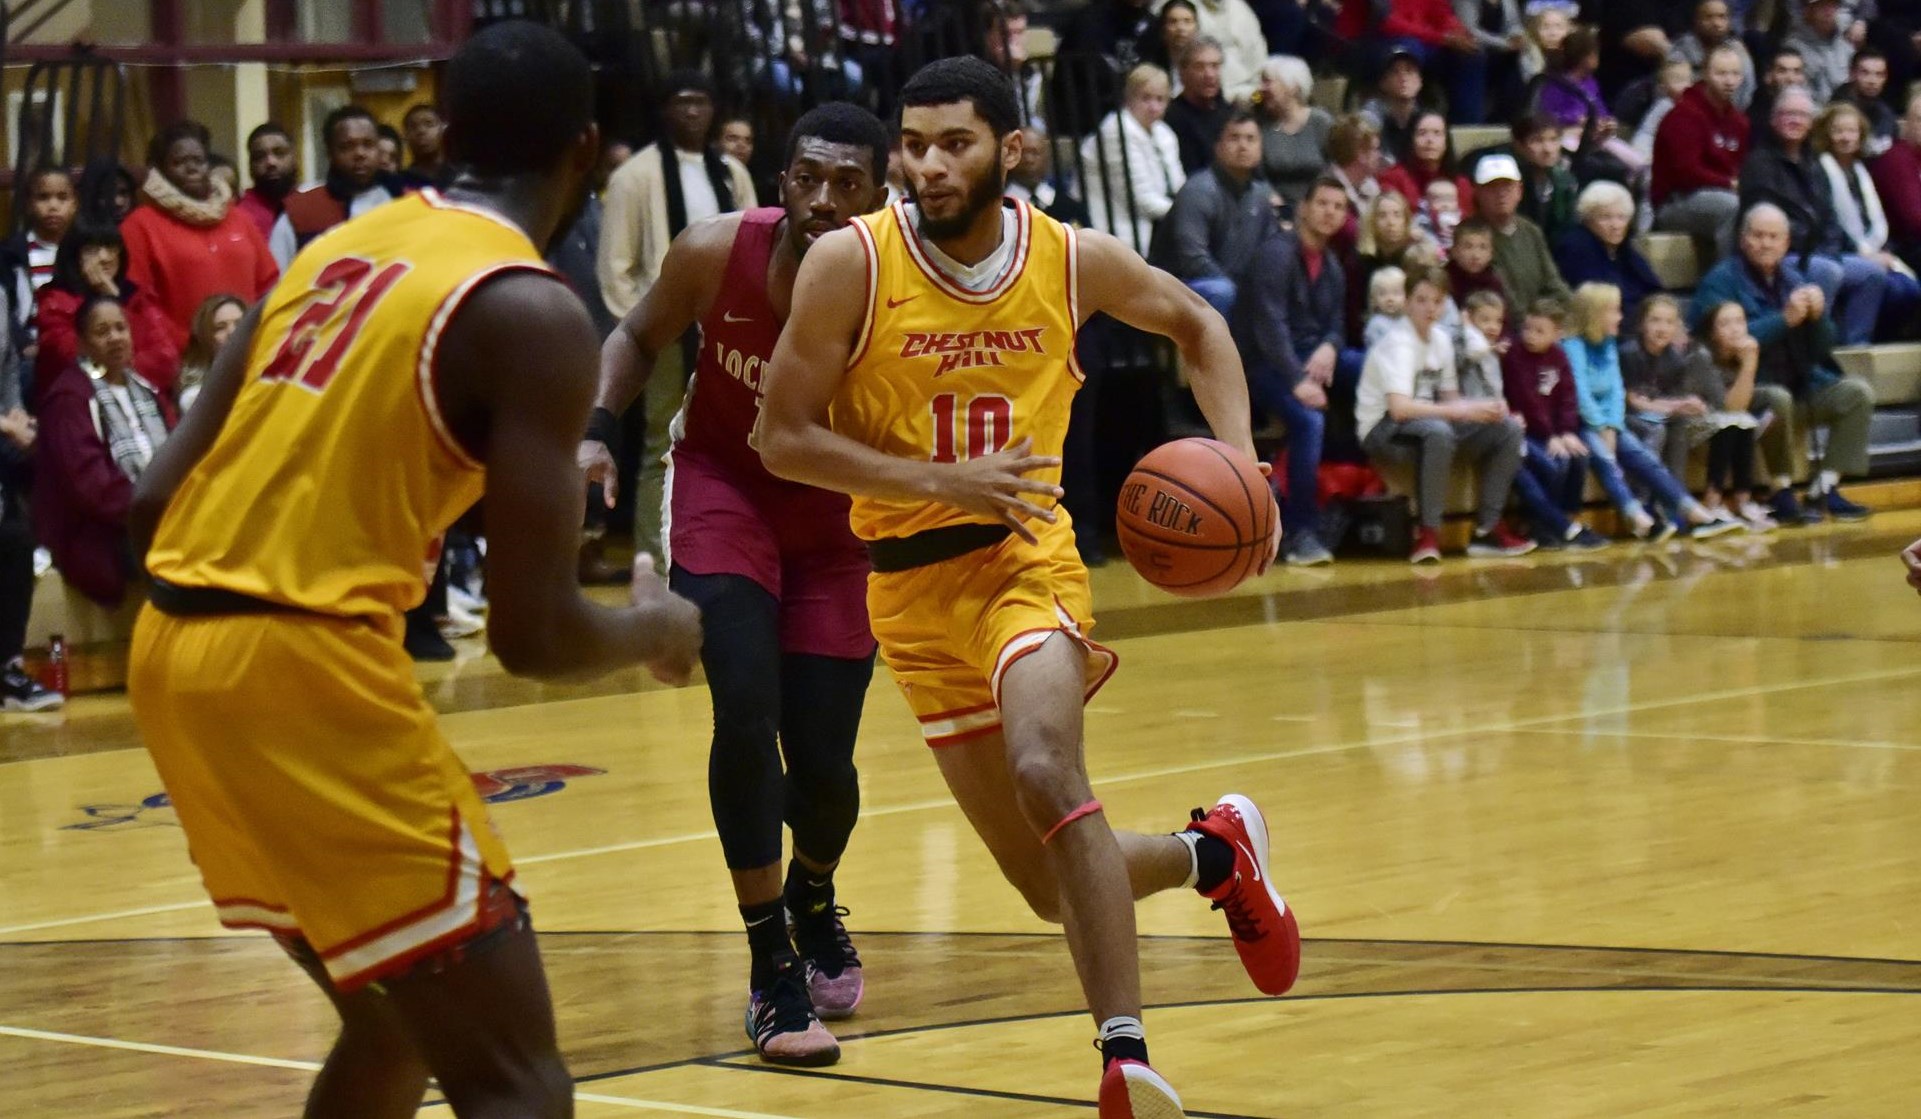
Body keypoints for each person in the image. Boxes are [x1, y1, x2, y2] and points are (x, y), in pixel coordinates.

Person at [124, 23, 703, 1119]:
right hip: (304, 663)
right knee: (517, 1081)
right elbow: (535, 638)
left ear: (445, 129)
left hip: (172, 656)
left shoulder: (332, 251)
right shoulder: (531, 308)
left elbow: (157, 501)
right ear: (585, 150)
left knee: (394, 1029)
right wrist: (660, 629)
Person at [756, 56, 1299, 1118]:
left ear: (1009, 149)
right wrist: (936, 480)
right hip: (908, 596)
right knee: (1048, 887)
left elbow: (1199, 324)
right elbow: (781, 437)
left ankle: (1124, 1057)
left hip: (1024, 561)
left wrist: (1244, 467)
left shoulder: (1067, 258)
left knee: (1047, 766)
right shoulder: (851, 263)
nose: (927, 164)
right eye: (913, 145)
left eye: (953, 143)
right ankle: (1212, 854)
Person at [582, 103, 891, 1067]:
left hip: (837, 520)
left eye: (848, 183)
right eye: (808, 177)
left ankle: (811, 892)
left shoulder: (904, 282)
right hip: (726, 490)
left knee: (826, 770)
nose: (824, 199)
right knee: (745, 708)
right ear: (781, 180)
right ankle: (770, 965)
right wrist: (595, 429)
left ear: (881, 198)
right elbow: (636, 335)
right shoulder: (716, 250)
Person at [598, 70, 758, 568]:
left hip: (730, 328)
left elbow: (756, 242)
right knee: (662, 445)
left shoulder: (731, 171)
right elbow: (616, 268)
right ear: (664, 110)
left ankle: (729, 552)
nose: (692, 111)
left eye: (701, 102)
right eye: (682, 102)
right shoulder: (634, 176)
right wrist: (649, 328)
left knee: (740, 440)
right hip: (667, 331)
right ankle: (657, 559)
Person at [1691, 203, 1876, 523]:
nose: (1765, 243)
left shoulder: (1793, 278)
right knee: (1777, 398)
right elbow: (1724, 343)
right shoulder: (1720, 281)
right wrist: (1783, 319)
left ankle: (1825, 487)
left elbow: (1821, 348)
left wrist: (1819, 318)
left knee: (1856, 392)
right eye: (1758, 235)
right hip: (1745, 390)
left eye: (1773, 237)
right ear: (1743, 239)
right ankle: (1781, 491)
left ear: (1786, 243)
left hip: (1801, 383)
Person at [1358, 265, 1532, 562]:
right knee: (1437, 431)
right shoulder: (1398, 343)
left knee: (1507, 428)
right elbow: (1400, 409)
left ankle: (1487, 529)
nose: (1430, 308)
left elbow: (1452, 399)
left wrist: (1485, 409)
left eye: (1437, 301)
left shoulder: (1440, 339)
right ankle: (1427, 535)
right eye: (1421, 300)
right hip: (1382, 429)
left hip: (1425, 421)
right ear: (1407, 302)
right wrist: (1458, 412)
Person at [1564, 282, 1742, 539]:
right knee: (1605, 459)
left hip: (1610, 422)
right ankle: (1639, 519)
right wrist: (1602, 426)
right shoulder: (1573, 347)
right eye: (1614, 311)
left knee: (1642, 457)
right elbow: (1581, 395)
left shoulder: (1607, 343)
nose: (1620, 317)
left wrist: (1611, 425)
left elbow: (1615, 391)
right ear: (1594, 314)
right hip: (1579, 423)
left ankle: (1692, 512)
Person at [1238, 175, 1353, 565]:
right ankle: (1301, 531)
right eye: (1322, 203)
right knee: (1308, 421)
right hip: (1262, 365)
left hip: (1307, 354)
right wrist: (1298, 380)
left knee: (1369, 371)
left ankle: (1362, 498)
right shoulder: (1276, 254)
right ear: (1304, 207)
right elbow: (1268, 327)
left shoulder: (1333, 265)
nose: (1330, 212)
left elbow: (1337, 325)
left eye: (1338, 206)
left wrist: (1329, 347)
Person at [35, 295, 177, 609]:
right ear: (82, 344)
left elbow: (178, 456)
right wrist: (153, 511)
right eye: (102, 332)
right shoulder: (70, 397)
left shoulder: (146, 389)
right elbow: (92, 488)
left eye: (120, 328)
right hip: (105, 533)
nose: (115, 338)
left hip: (160, 515)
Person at [1740, 85, 1890, 346]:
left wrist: (1833, 248)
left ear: (1810, 123)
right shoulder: (1759, 163)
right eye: (1788, 114)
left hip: (1819, 252)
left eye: (1801, 115)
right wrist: (1816, 248)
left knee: (1873, 273)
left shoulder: (1814, 163)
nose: (1795, 120)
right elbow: (1766, 221)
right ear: (1774, 120)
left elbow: (1830, 218)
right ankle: (1814, 348)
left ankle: (1855, 348)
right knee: (1828, 271)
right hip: (1783, 254)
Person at [118, 123, 278, 351]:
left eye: (199, 161)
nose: (192, 168)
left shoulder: (239, 218)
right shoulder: (140, 225)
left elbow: (268, 285)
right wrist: (183, 350)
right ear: (159, 170)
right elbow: (139, 303)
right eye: (179, 162)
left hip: (249, 351)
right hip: (181, 357)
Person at [1626, 295, 1773, 528]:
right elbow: (1632, 400)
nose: (1662, 328)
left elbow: (1675, 398)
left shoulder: (1672, 358)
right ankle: (1649, 504)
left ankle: (1683, 504)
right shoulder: (1631, 353)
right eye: (1655, 321)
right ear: (1641, 324)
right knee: (1662, 428)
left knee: (1729, 422)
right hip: (1630, 416)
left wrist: (1684, 405)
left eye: (1669, 322)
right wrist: (1679, 405)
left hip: (1671, 415)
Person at [1500, 297, 1611, 549]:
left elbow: (1568, 398)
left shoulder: (1559, 356)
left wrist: (1567, 432)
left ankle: (1568, 518)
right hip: (1528, 430)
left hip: (1552, 431)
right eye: (1527, 328)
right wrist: (1551, 435)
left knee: (1580, 456)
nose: (1530, 335)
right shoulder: (1515, 356)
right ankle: (1542, 526)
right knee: (1554, 464)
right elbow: (1527, 400)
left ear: (1557, 334)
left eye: (1540, 331)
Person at [34, 221, 180, 399]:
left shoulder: (137, 297)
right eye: (92, 250)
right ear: (74, 256)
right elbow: (83, 364)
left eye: (111, 248)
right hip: (80, 401)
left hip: (144, 398)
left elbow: (166, 363)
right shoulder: (54, 304)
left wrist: (114, 299)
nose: (104, 257)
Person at [1156, 109, 1277, 322]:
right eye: (1234, 138)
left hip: (1232, 286)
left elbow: (1270, 252)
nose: (1243, 146)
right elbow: (1193, 260)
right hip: (1179, 286)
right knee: (1222, 291)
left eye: (1250, 139)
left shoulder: (1261, 195)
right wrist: (1242, 293)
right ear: (1217, 146)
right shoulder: (1198, 190)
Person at [1817, 100, 1921, 328]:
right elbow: (1828, 226)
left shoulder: (1859, 170)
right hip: (1839, 251)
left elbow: (1875, 220)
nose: (1845, 137)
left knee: (1909, 288)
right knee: (1900, 289)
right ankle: (1856, 340)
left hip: (1876, 247)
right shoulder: (1819, 171)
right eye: (1838, 131)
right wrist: (1862, 253)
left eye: (1851, 131)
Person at [270, 106, 406, 270]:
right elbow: (278, 281)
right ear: (330, 153)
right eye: (347, 146)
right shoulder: (298, 213)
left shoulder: (404, 205)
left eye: (368, 144)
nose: (360, 153)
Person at [1653, 44, 1751, 259]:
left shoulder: (1740, 122)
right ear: (1705, 74)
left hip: (1722, 192)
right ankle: (1730, 273)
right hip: (1677, 200)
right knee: (1731, 206)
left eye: (1735, 74)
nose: (1729, 81)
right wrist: (1729, 184)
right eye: (1721, 73)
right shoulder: (1683, 115)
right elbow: (1686, 172)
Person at [1082, 63, 1186, 257]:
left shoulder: (1164, 132)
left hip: (1158, 223)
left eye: (1160, 99)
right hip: (1120, 230)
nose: (1154, 107)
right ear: (1129, 98)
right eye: (1145, 98)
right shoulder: (1116, 129)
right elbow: (1140, 199)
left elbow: (1179, 184)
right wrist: (1186, 212)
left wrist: (1189, 207)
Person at [1553, 180, 1664, 317]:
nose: (1615, 225)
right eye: (1605, 217)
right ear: (1587, 219)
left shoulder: (1625, 250)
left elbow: (1655, 291)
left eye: (1621, 217)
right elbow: (1593, 302)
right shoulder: (1576, 247)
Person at [1474, 154, 1572, 308]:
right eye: (1492, 187)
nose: (1500, 193)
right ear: (1478, 192)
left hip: (1540, 318)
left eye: (1507, 186)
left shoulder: (1531, 231)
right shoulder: (1472, 235)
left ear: (1519, 190)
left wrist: (1573, 308)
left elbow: (1553, 282)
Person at [1, 166, 78, 357]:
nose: (53, 206)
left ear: (75, 203)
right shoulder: (11, 254)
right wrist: (24, 344)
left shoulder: (83, 251)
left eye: (62, 198)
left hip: (75, 348)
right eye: (43, 197)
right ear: (29, 205)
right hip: (25, 352)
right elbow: (6, 310)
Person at [1253, 55, 1334, 210]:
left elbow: (1335, 169)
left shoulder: (1321, 122)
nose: (1261, 88)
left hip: (1320, 208)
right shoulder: (1259, 126)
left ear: (1292, 86)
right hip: (1275, 209)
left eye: (1267, 81)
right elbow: (1257, 177)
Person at [1378, 111, 1473, 225]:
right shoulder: (1393, 178)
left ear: (1446, 141)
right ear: (1411, 140)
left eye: (1437, 133)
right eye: (1422, 133)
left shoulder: (1461, 183)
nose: (1430, 140)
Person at [1667, 0, 1756, 109]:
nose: (1716, 23)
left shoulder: (1737, 50)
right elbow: (1671, 90)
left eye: (1721, 17)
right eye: (1709, 17)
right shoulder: (1680, 49)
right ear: (1697, 21)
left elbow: (1746, 90)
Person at [1162, 38, 1233, 174]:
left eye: (1214, 66)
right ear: (1182, 73)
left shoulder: (1231, 113)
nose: (1209, 74)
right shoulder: (1172, 117)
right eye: (1199, 67)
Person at [176, 293, 245, 412]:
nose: (233, 332)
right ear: (205, 338)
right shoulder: (195, 396)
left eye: (240, 324)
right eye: (220, 327)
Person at [1361, 48, 1427, 165]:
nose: (1403, 77)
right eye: (1395, 72)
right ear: (1383, 83)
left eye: (1409, 70)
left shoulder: (1426, 119)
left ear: (1420, 81)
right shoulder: (1369, 118)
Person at [1783, 0, 1854, 105]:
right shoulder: (1794, 48)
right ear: (1808, 10)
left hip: (1847, 110)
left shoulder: (1847, 48)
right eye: (1821, 6)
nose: (1828, 11)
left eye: (1832, 5)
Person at [236, 123, 298, 240]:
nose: (271, 162)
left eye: (279, 153)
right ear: (250, 165)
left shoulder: (310, 205)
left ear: (294, 158)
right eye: (260, 156)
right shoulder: (240, 215)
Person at [1834, 47, 1896, 157]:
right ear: (1852, 74)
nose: (1872, 80)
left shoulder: (1886, 114)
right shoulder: (1835, 110)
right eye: (1865, 73)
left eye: (1879, 74)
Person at [402, 102, 450, 187]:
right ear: (406, 137)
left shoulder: (461, 175)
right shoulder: (402, 183)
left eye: (429, 124)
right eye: (413, 127)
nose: (421, 130)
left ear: (442, 130)